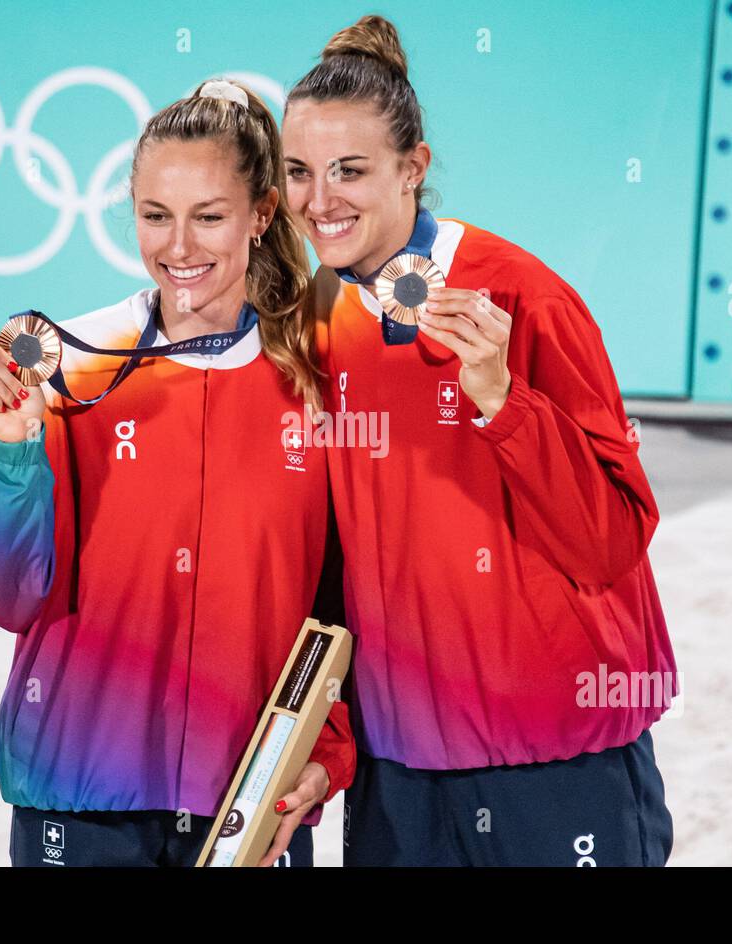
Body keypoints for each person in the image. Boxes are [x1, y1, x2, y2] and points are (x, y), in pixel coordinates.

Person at [282, 15, 678, 866]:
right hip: (402, 772)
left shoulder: (526, 297)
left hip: (558, 758)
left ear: (413, 168)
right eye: (299, 173)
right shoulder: (314, 317)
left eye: (350, 170)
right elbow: (327, 568)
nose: (320, 200)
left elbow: (610, 538)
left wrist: (503, 400)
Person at [0, 79, 354, 867]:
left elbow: (349, 609)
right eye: (155, 217)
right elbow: (5, 595)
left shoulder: (319, 377)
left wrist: (324, 752)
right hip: (76, 796)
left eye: (209, 217)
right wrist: (9, 454)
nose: (180, 248)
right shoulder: (77, 367)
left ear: (262, 215)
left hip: (248, 804)